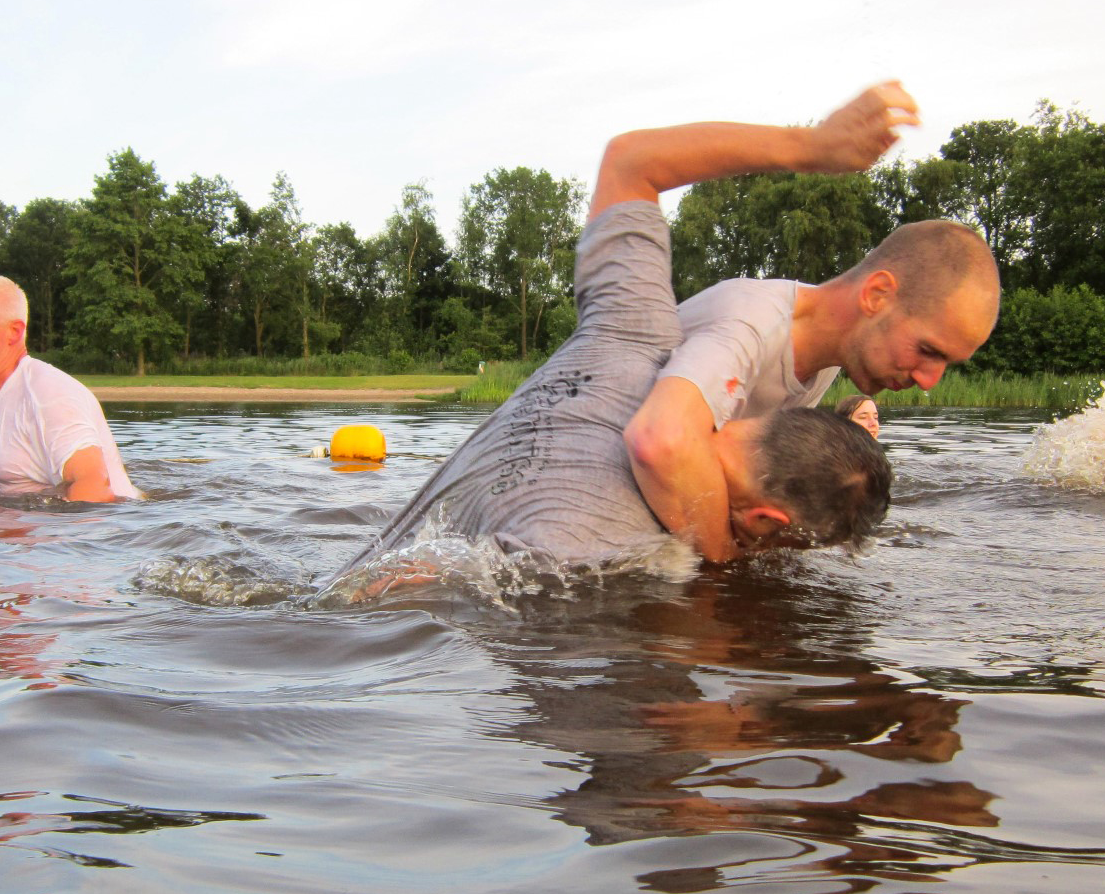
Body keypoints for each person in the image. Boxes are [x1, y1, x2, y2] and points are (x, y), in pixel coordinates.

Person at [324, 83, 905, 592]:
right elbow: (403, 593)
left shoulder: (633, 329)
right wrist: (721, 562)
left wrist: (812, 147)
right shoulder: (600, 549)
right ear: (766, 522)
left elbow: (631, 161)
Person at [624, 87, 999, 557]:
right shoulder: (755, 322)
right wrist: (727, 566)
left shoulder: (820, 368)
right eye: (929, 351)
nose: (929, 381)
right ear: (877, 294)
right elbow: (659, 441)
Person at [0, 274, 139, 502]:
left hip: (111, 528)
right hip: (4, 531)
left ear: (14, 332)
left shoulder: (50, 396)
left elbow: (94, 486)